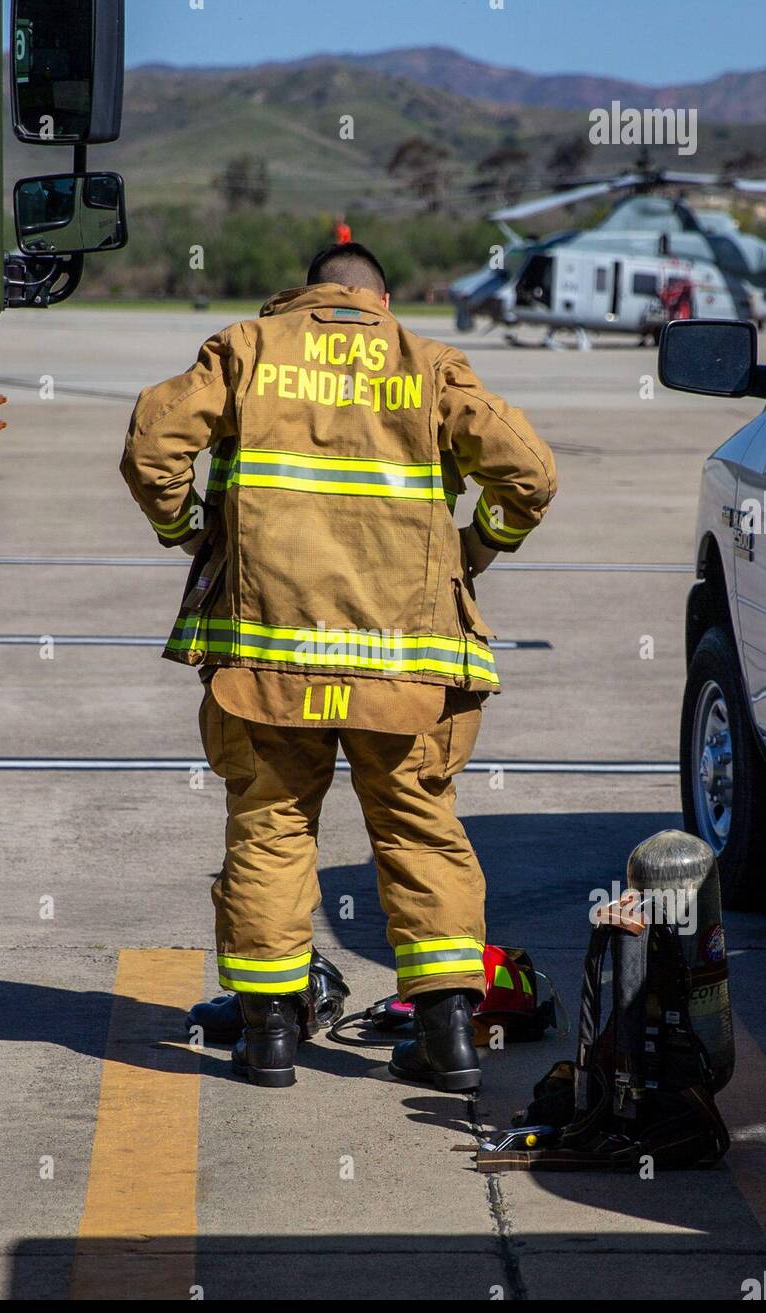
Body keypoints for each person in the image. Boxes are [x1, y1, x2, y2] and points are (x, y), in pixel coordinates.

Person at [120, 242, 556, 1090]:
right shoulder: (430, 365)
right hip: (410, 671)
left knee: (272, 828)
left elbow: (152, 451)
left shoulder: (248, 347)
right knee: (419, 832)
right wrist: (476, 549)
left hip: (268, 664)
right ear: (379, 301)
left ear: (307, 291)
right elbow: (530, 476)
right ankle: (449, 1039)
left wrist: (190, 535)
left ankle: (269, 1036)